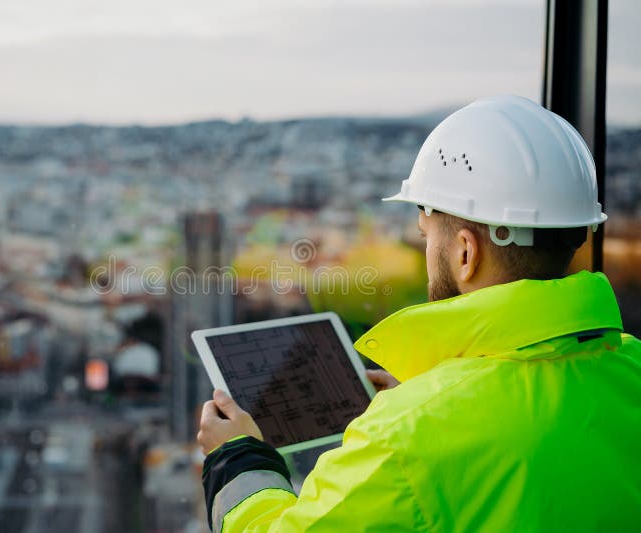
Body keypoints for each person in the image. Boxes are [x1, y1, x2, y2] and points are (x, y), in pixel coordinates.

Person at [197, 95, 641, 532]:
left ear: (466, 252)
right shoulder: (631, 366)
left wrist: (237, 458)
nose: (426, 251)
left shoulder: (404, 438)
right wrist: (427, 394)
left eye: (426, 236)